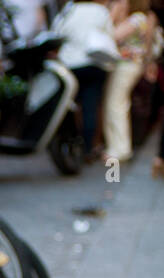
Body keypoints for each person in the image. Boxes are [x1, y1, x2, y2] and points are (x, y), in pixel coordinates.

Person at [55, 0, 122, 160]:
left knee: (70, 105)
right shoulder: (100, 11)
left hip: (70, 64)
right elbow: (110, 35)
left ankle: (71, 143)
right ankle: (87, 148)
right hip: (93, 63)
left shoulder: (69, 10)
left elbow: (57, 32)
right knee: (90, 106)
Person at [105, 0, 160, 160]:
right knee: (117, 103)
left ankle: (120, 148)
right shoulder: (141, 18)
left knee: (116, 104)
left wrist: (114, 15)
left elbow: (113, 35)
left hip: (127, 65)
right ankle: (116, 145)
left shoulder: (137, 18)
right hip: (128, 65)